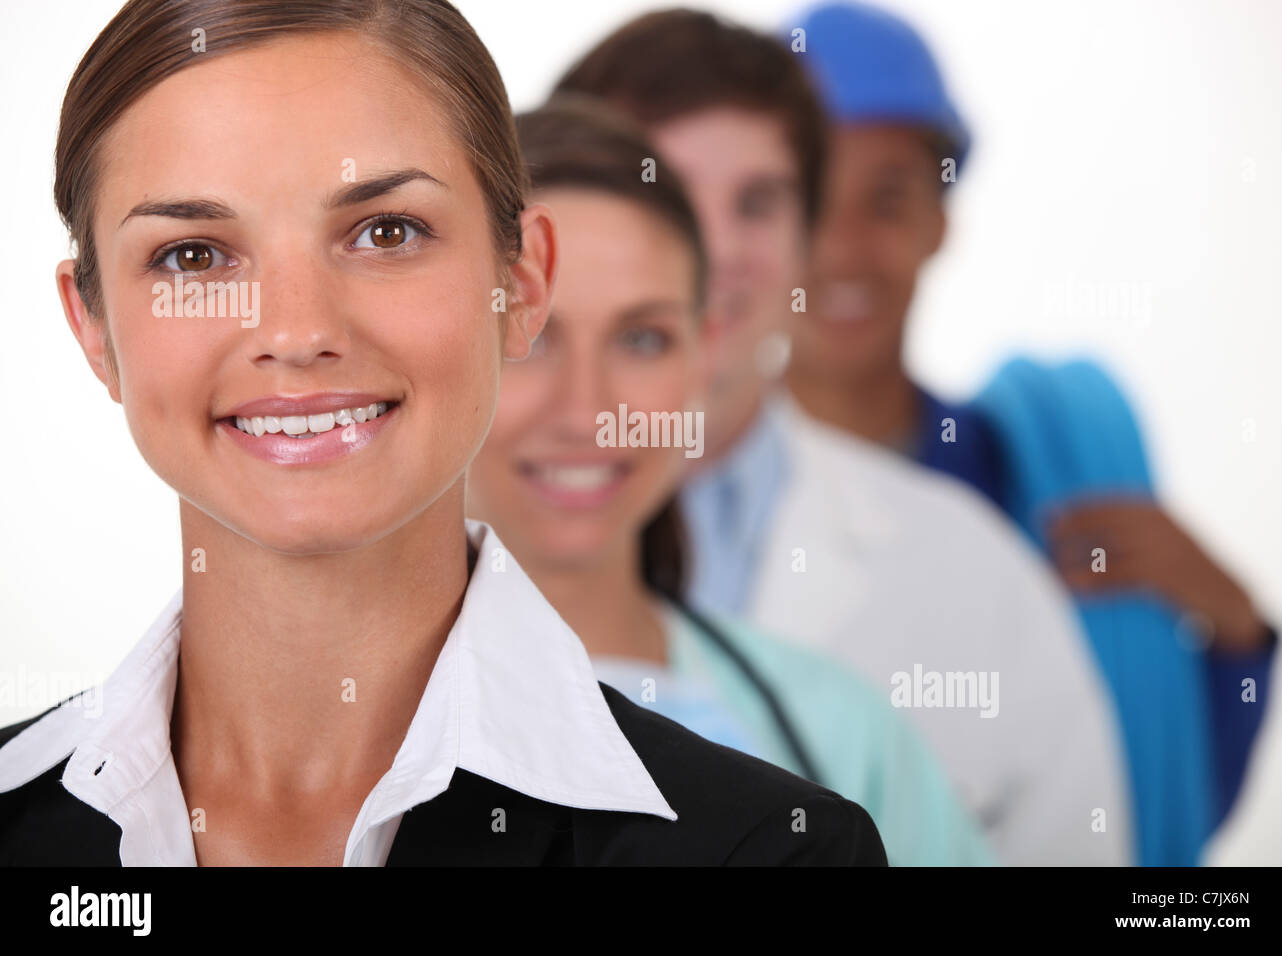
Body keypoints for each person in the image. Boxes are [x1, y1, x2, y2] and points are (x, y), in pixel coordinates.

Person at [0, 0, 886, 867]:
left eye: (386, 232)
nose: (297, 330)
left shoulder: (766, 851)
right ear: (92, 325)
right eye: (193, 254)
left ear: (523, 285)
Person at [554, 9, 1134, 865]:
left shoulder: (970, 570)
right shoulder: (402, 550)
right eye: (663, 193)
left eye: (758, 202)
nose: (712, 248)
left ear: (804, 238)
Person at [784, 0, 1279, 864]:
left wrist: (1234, 632)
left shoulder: (1040, 483)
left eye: (888, 199)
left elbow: (1162, 809)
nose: (843, 247)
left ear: (940, 222)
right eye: (808, 199)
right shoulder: (676, 492)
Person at [465, 96, 997, 865]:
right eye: (535, 335)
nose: (588, 411)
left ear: (703, 354)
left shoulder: (840, 732)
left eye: (643, 338)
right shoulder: (324, 725)